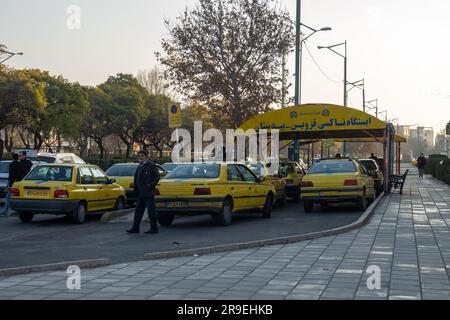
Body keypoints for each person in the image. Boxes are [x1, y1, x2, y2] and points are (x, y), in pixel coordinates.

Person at [127, 150, 161, 234]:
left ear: (146, 156)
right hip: (141, 193)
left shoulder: (151, 165)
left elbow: (157, 177)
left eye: (142, 155)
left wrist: (151, 185)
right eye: (139, 156)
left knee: (151, 211)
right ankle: (135, 228)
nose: (140, 157)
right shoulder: (140, 165)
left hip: (148, 193)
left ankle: (154, 228)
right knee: (138, 211)